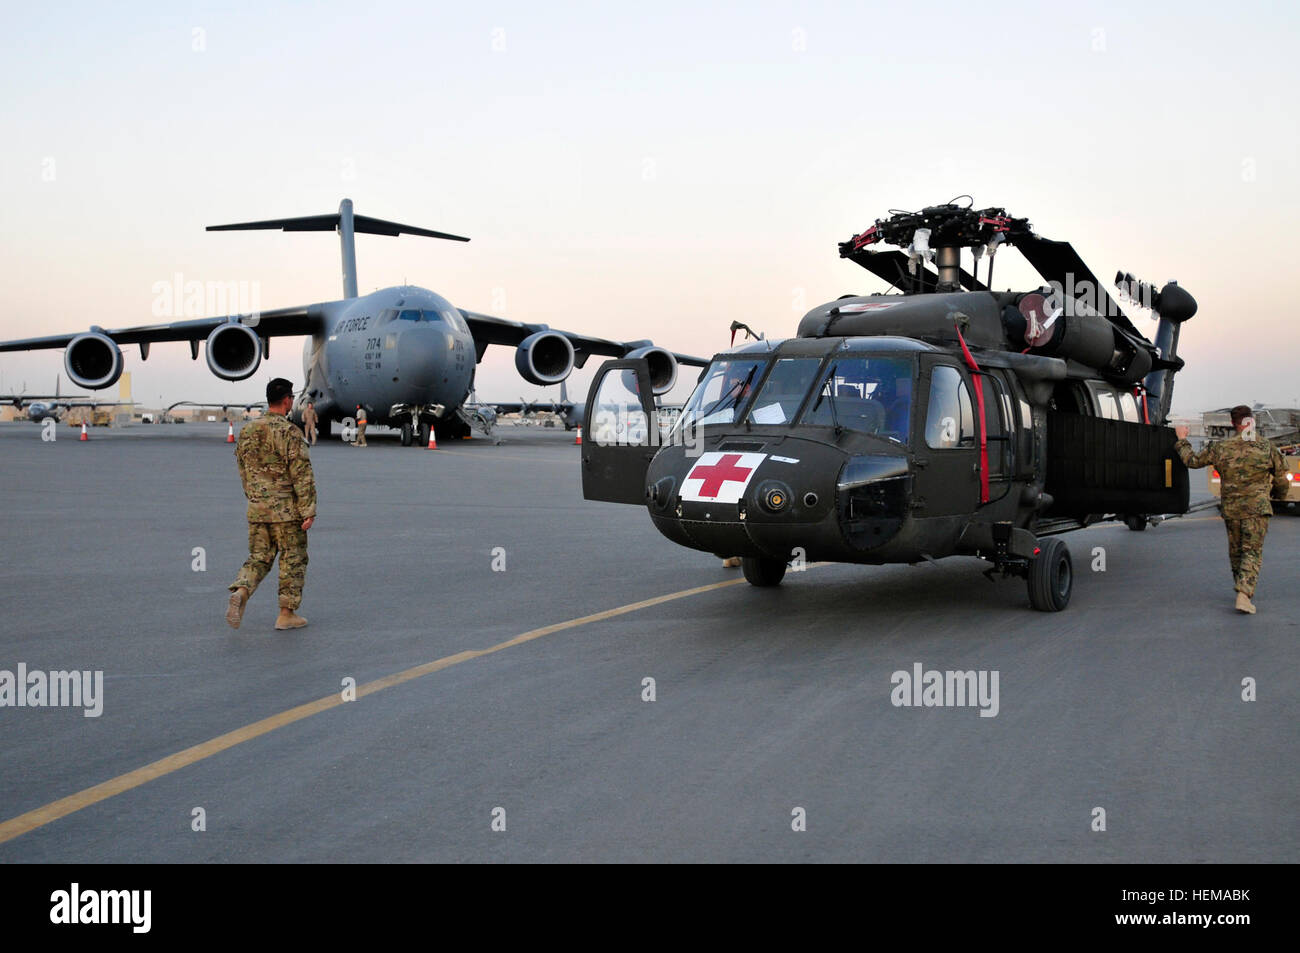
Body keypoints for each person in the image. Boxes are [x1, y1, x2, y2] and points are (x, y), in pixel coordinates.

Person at [1174, 405, 1288, 614]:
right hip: (1257, 509)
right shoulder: (1266, 447)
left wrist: (1182, 438)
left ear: (1233, 424)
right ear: (1251, 421)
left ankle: (1241, 589)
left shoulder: (1222, 448)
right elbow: (1281, 480)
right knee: (1251, 552)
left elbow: (1192, 460)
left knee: (1236, 552)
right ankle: (1244, 593)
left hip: (1232, 509)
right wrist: (1278, 497)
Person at [226, 378, 317, 631]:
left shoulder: (248, 431)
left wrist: (255, 498)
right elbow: (301, 473)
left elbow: (243, 469)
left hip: (258, 509)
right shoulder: (289, 432)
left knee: (259, 557)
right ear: (288, 400)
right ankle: (286, 614)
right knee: (293, 559)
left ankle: (242, 591)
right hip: (287, 512)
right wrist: (308, 510)